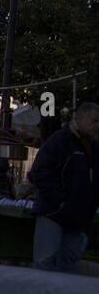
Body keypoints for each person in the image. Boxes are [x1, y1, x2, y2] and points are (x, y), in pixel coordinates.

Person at [28, 102, 99, 272]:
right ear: (79, 118)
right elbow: (39, 171)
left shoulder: (95, 147)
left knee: (68, 266)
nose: (98, 125)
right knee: (45, 263)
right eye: (94, 121)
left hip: (78, 218)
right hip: (54, 214)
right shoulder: (61, 140)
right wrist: (60, 200)